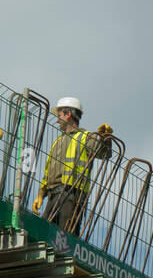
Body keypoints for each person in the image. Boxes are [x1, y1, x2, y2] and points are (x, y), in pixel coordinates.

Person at [31, 96, 113, 233]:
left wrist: (106, 138)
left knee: (66, 236)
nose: (57, 120)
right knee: (43, 232)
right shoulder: (58, 141)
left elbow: (104, 154)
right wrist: (41, 193)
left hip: (72, 195)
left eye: (59, 115)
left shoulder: (86, 137)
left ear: (68, 114)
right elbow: (48, 171)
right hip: (54, 195)